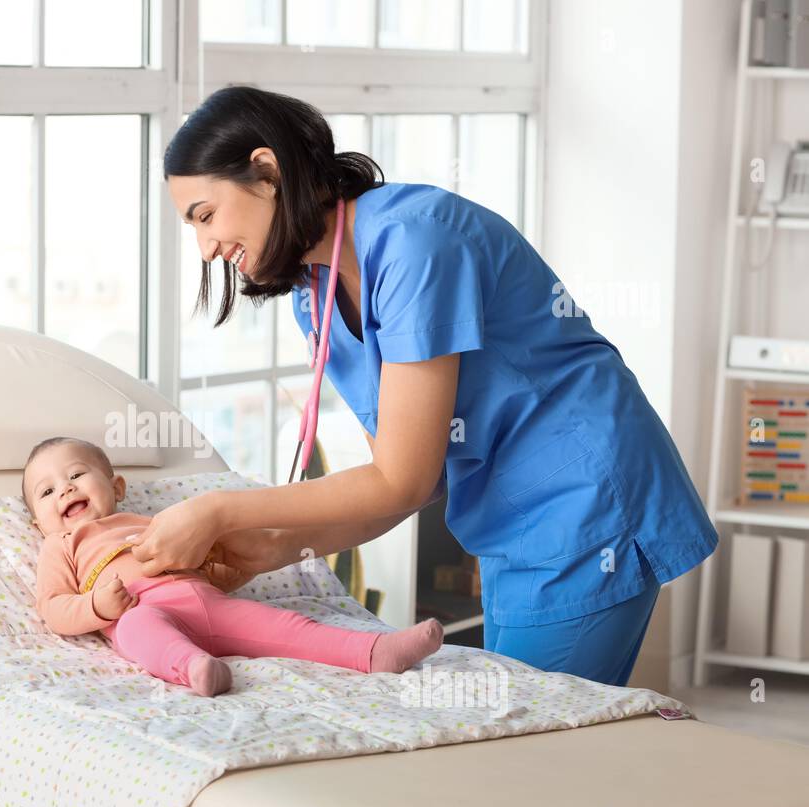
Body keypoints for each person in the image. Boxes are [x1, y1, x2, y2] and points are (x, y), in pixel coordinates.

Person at [127, 85, 717, 687]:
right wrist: (278, 546)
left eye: (205, 215)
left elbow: (400, 478)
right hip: (515, 526)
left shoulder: (416, 243)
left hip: (587, 502)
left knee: (532, 753)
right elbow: (407, 480)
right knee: (534, 749)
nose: (205, 247)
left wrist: (218, 509)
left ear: (267, 170)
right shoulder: (315, 297)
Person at [23, 436, 444, 697]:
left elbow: (201, 563)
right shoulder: (62, 545)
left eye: (77, 473)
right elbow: (54, 607)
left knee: (288, 627)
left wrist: (221, 574)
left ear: (116, 487)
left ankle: (373, 651)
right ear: (36, 522)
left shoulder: (156, 523)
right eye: (47, 491)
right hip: (139, 610)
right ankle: (193, 668)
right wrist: (97, 606)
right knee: (139, 632)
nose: (67, 488)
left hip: (204, 600)